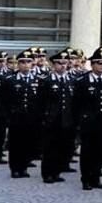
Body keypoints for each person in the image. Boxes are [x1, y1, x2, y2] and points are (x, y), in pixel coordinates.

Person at [72, 48, 102, 189]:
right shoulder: (82, 81)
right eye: (99, 63)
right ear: (92, 65)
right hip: (88, 123)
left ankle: (96, 177)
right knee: (87, 152)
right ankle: (86, 179)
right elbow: (76, 104)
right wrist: (78, 124)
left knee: (101, 151)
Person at [2, 49, 41, 178]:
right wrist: (7, 116)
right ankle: (15, 168)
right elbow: (4, 100)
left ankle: (24, 167)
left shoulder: (37, 79)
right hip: (16, 118)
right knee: (15, 144)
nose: (25, 64)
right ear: (18, 64)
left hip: (31, 117)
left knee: (27, 143)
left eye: (28, 62)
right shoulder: (10, 79)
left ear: (32, 64)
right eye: (22, 62)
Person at [38, 50, 73, 184]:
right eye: (59, 63)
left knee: (62, 147)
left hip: (66, 120)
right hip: (51, 120)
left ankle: (57, 172)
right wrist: (43, 118)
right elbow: (40, 102)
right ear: (53, 65)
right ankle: (47, 173)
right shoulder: (46, 81)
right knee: (49, 148)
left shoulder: (71, 80)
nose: (63, 66)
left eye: (65, 63)